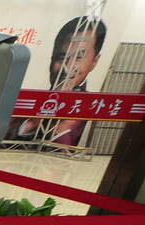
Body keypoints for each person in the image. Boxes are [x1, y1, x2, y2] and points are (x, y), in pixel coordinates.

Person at [6, 16, 107, 149]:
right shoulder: (33, 101)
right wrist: (30, 124)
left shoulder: (85, 107)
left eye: (78, 58)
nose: (67, 67)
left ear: (94, 62)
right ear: (52, 59)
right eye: (61, 57)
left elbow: (58, 146)